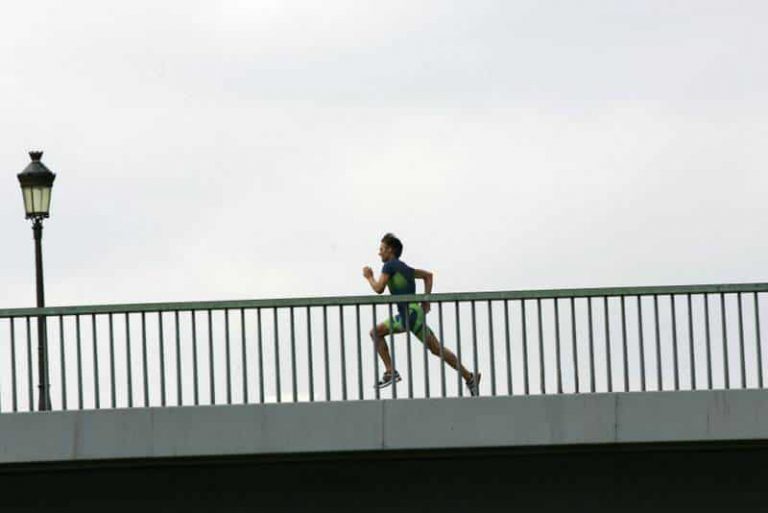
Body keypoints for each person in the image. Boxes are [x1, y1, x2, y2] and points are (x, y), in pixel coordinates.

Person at [362, 233, 481, 396]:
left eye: (381, 249)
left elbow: (379, 288)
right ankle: (469, 377)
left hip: (409, 315)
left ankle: (390, 371)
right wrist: (426, 300)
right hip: (413, 313)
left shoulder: (389, 266)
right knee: (435, 348)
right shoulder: (405, 268)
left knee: (377, 333)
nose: (379, 252)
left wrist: (369, 277)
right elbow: (428, 276)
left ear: (390, 250)